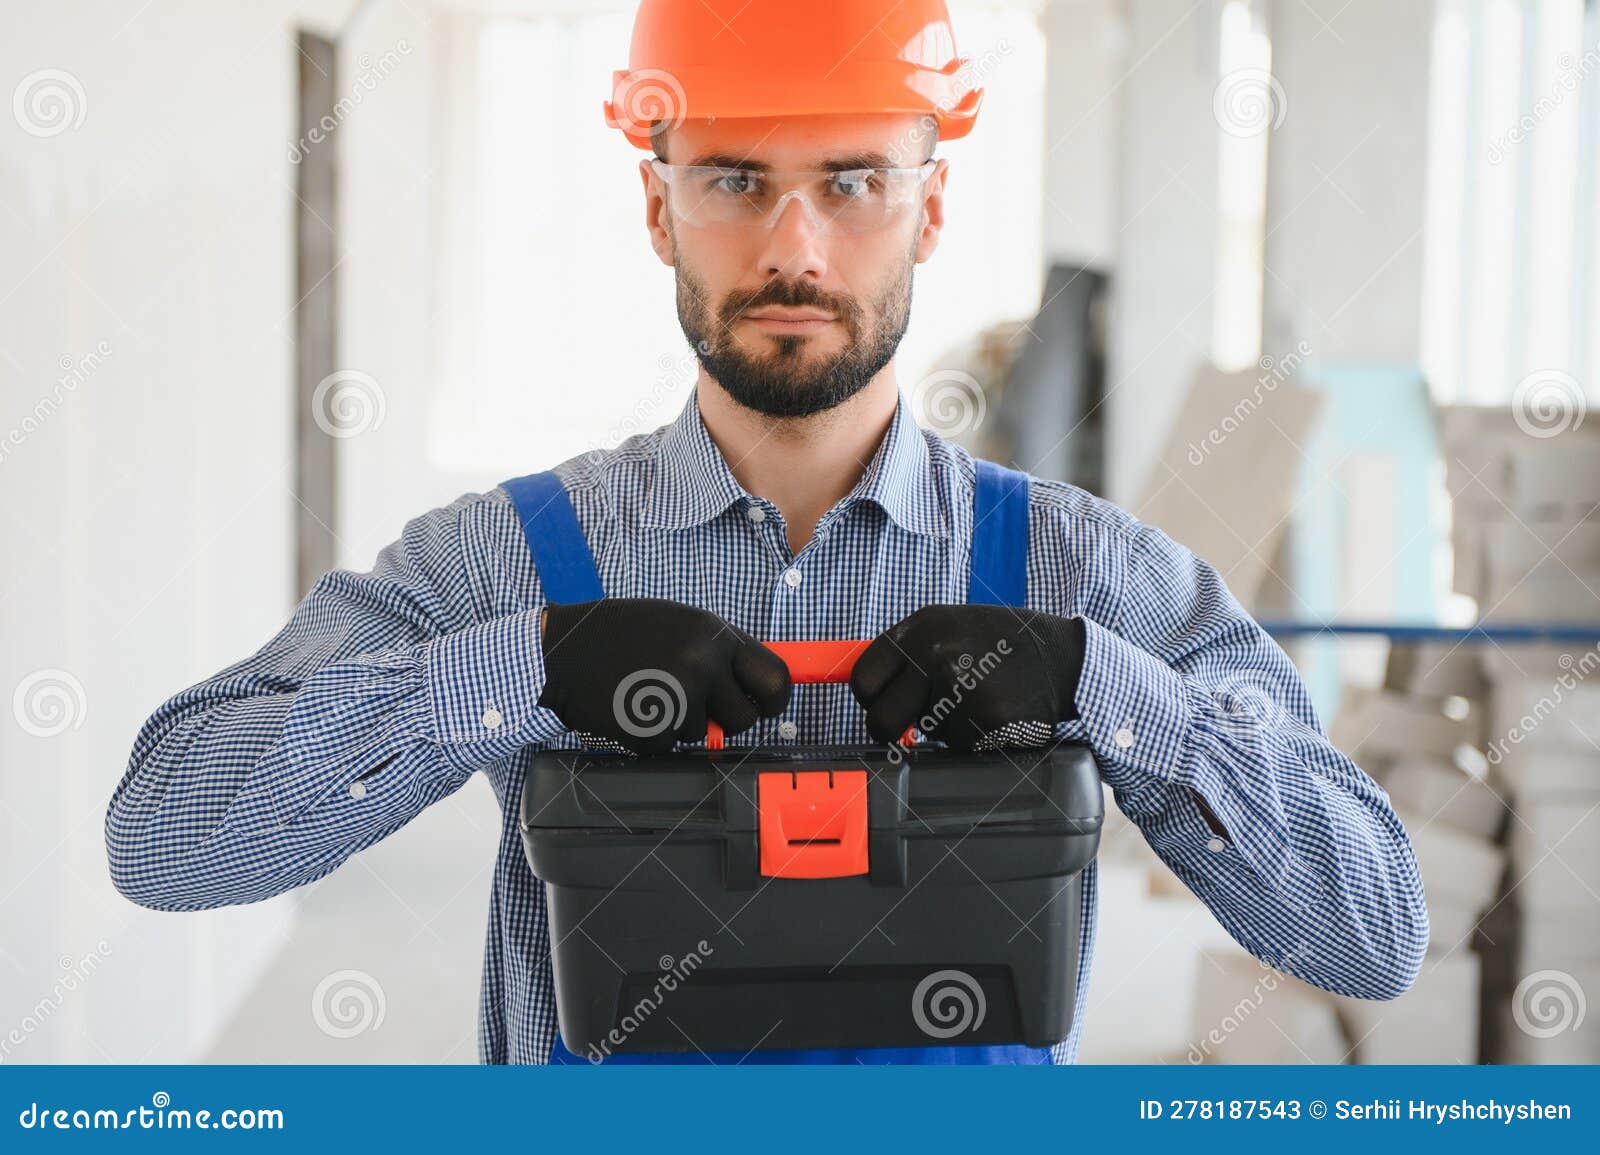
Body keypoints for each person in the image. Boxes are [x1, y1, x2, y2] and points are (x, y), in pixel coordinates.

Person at [107, 0, 1427, 1065]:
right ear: (657, 207)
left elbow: (1372, 934)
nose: (795, 247)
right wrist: (520, 670)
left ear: (933, 208)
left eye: (853, 180)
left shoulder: (1085, 574)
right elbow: (164, 845)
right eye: (736, 178)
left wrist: (1105, 690)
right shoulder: (504, 564)